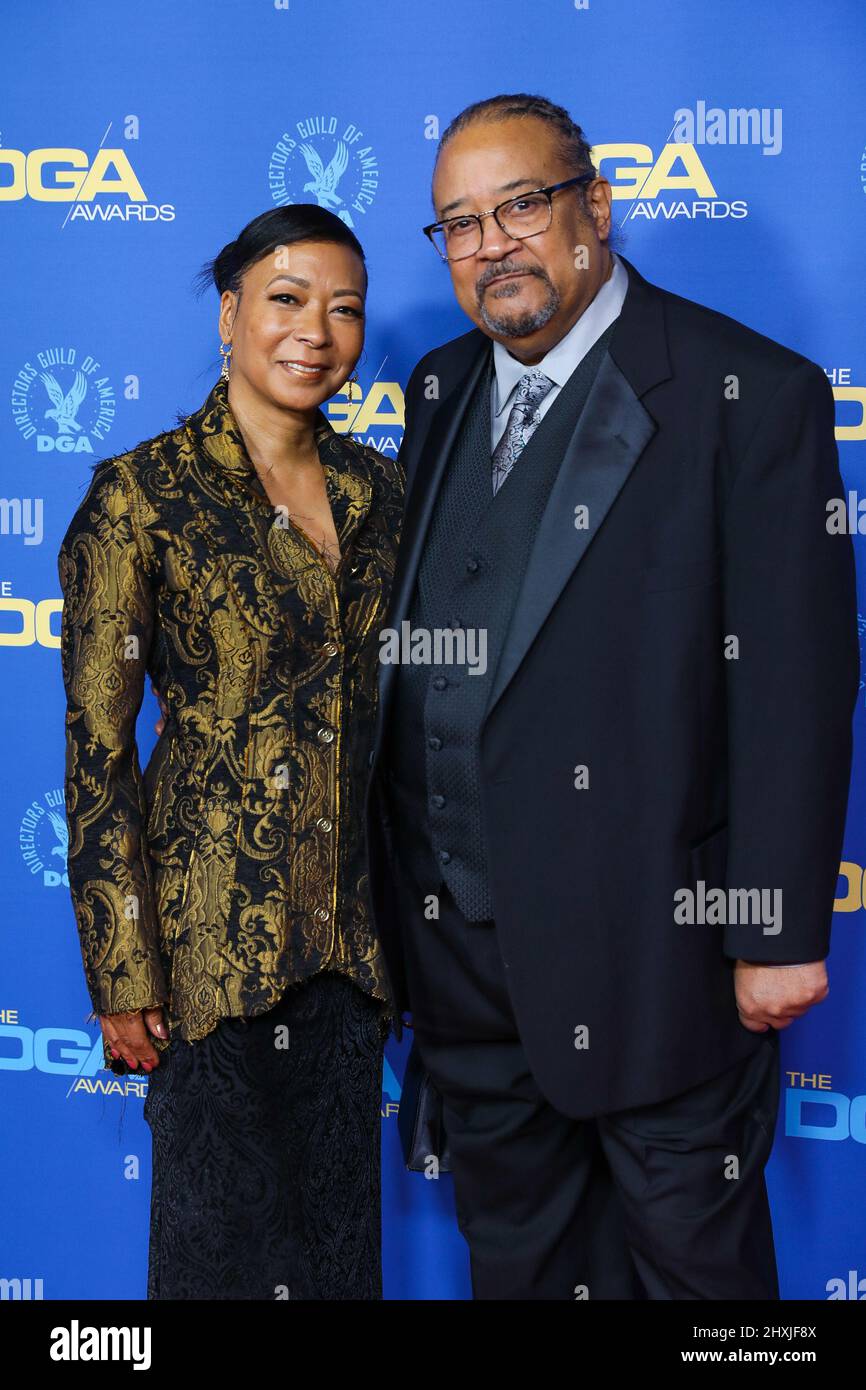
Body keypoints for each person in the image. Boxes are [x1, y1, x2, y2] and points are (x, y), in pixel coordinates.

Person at [365, 94, 860, 1300]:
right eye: (458, 226)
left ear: (594, 204)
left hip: (660, 959)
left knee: (701, 1282)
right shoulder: (435, 391)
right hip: (465, 971)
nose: (491, 248)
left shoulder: (748, 393)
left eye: (519, 206)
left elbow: (797, 680)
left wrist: (778, 930)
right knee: (519, 1270)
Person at [57, 205, 404, 1300]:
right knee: (213, 1260)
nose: (317, 330)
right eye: (288, 299)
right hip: (205, 954)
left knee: (338, 1258)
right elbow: (96, 754)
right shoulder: (140, 494)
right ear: (229, 313)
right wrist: (122, 969)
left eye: (343, 308)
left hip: (351, 949)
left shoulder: (385, 496)